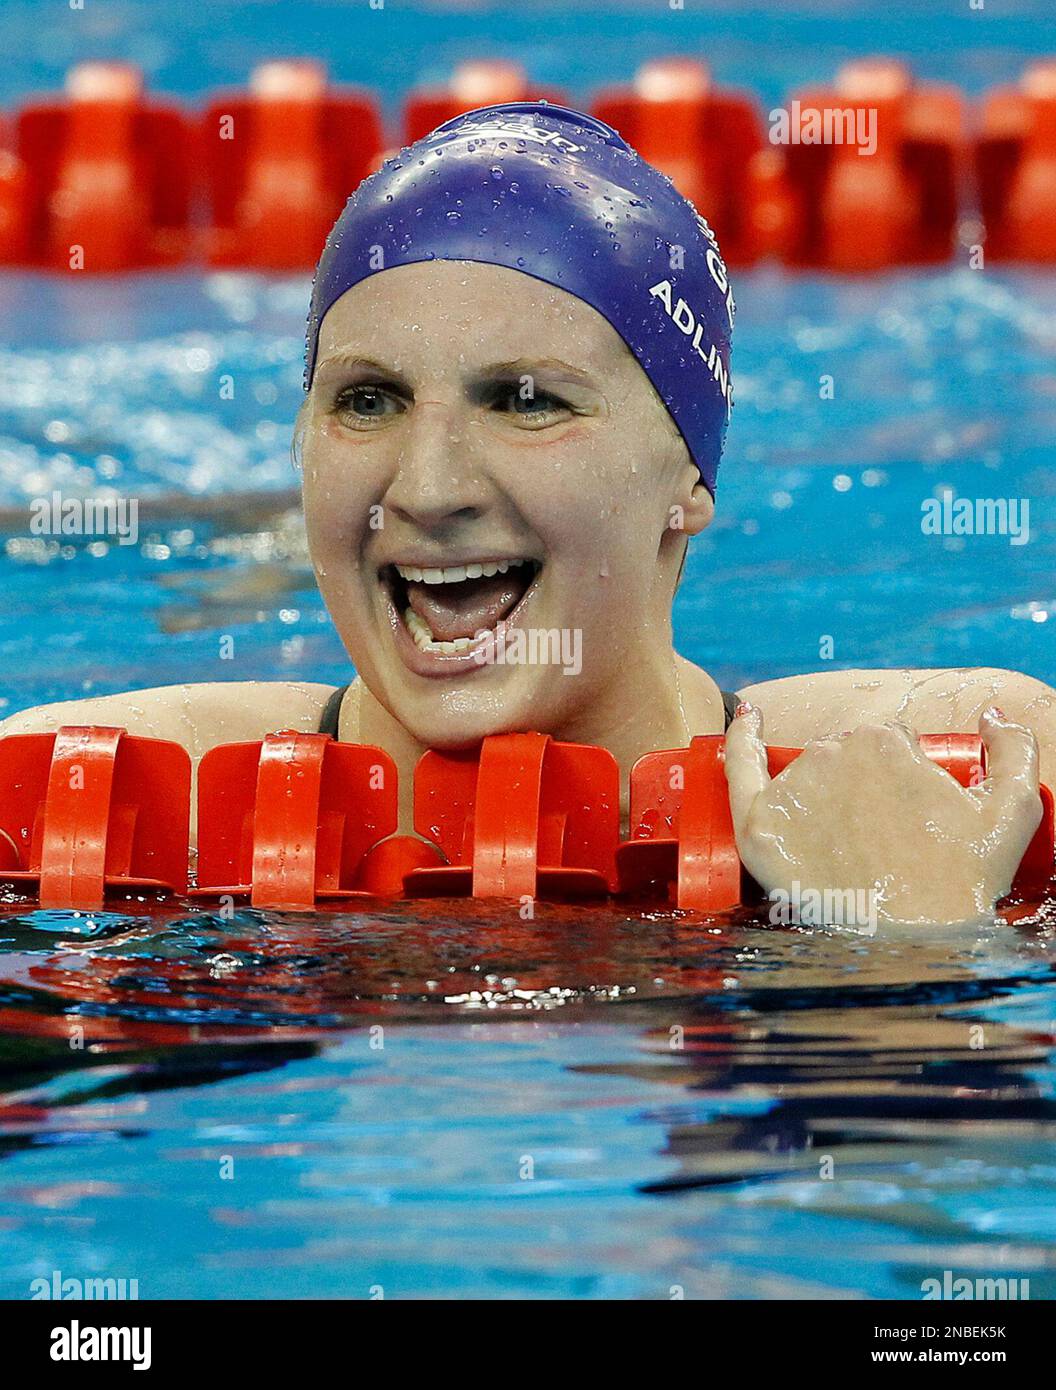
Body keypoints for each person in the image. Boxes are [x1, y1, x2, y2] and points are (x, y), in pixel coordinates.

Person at [3, 103, 1052, 923]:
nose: (426, 488)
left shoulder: (970, 766)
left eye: (526, 400)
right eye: (367, 401)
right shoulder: (93, 799)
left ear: (689, 476)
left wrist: (912, 947)